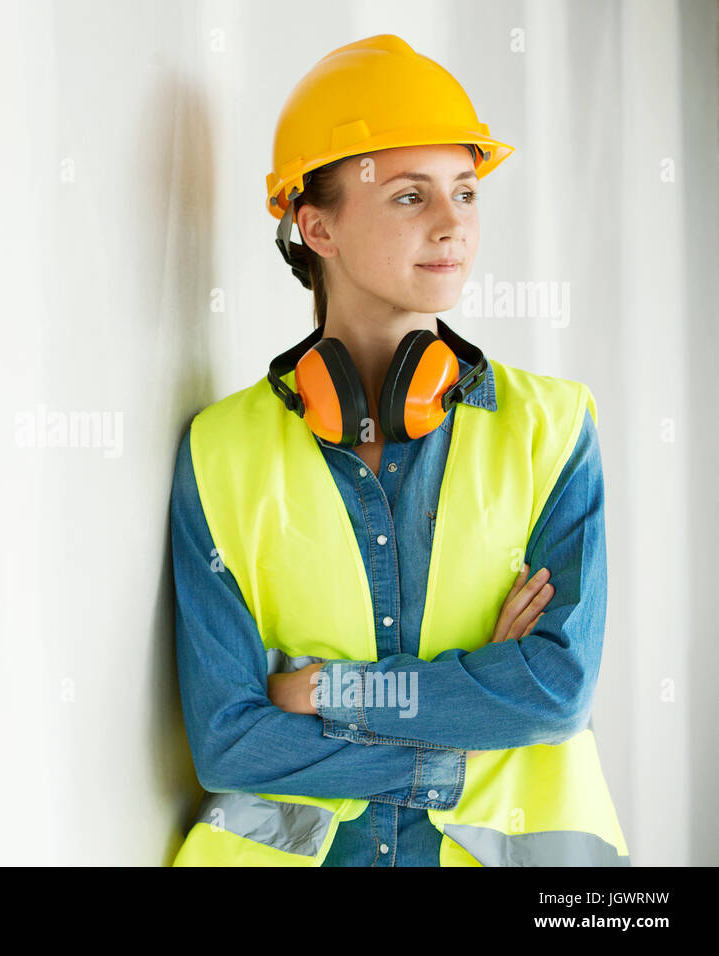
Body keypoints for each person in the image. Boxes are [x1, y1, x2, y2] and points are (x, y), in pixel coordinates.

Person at [169, 34, 630, 866]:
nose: (455, 223)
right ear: (319, 228)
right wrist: (470, 707)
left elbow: (555, 692)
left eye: (466, 191)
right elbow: (230, 741)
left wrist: (321, 691)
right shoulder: (220, 452)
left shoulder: (552, 428)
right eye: (412, 198)